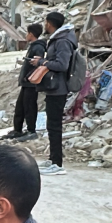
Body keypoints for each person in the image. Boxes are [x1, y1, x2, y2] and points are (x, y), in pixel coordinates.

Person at [32, 12, 76, 176]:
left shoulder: (63, 41)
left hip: (59, 89)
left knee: (55, 126)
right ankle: (53, 159)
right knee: (52, 125)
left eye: (45, 21)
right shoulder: (59, 39)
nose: (44, 24)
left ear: (50, 23)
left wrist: (41, 62)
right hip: (54, 88)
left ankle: (57, 163)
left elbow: (62, 64)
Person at [8, 24, 45, 141]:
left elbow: (37, 65)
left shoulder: (38, 47)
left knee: (29, 107)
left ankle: (31, 130)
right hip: (26, 83)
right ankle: (17, 130)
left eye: (27, 33)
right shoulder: (33, 46)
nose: (26, 35)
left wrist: (28, 76)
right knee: (20, 107)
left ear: (31, 34)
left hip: (31, 83)